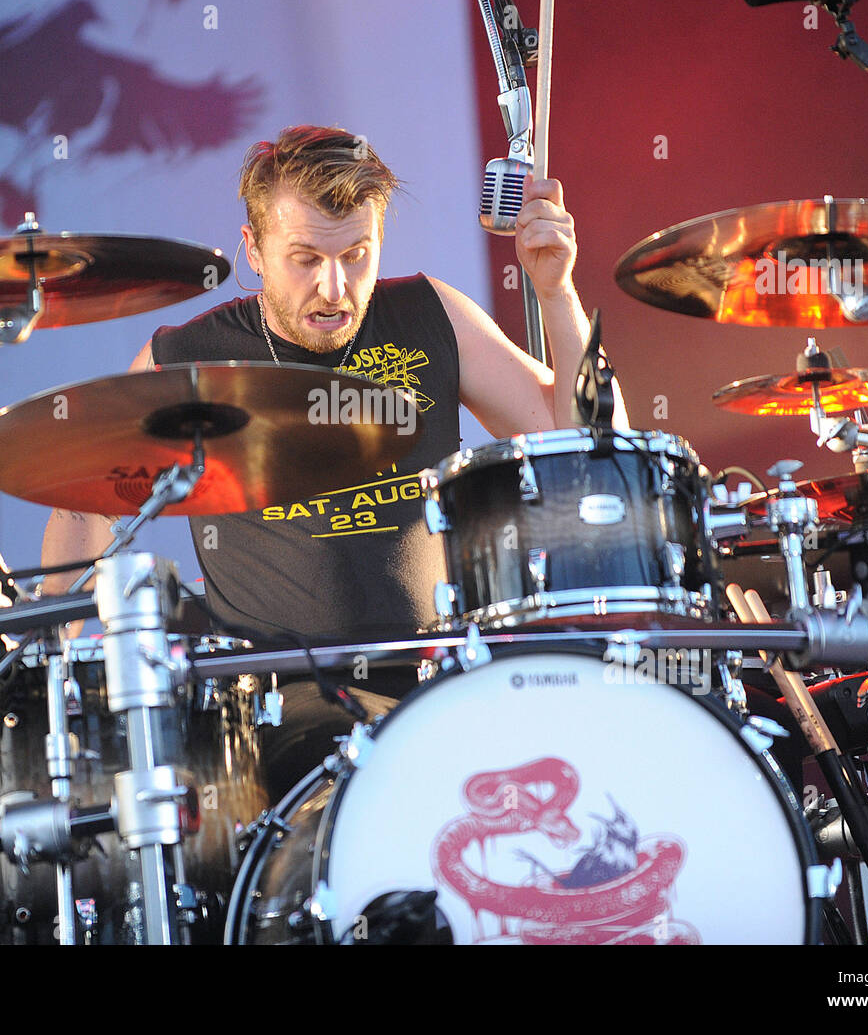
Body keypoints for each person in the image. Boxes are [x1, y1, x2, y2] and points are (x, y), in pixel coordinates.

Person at [42, 124, 628, 795]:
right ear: (253, 250)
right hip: (280, 716)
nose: (334, 287)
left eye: (356, 255)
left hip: (443, 685)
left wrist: (556, 291)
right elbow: (86, 512)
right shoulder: (186, 360)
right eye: (305, 259)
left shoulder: (429, 314)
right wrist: (45, 662)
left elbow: (592, 445)